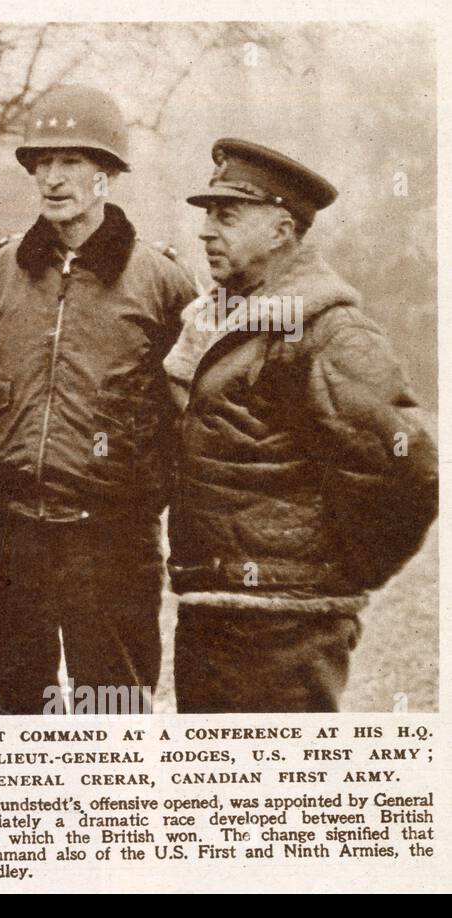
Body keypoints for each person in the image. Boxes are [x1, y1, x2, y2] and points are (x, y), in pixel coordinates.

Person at [165, 139, 438, 712]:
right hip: (213, 613)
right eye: (207, 215)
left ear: (281, 230)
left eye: (227, 216)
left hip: (287, 631)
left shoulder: (329, 333)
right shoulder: (220, 325)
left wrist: (331, 580)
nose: (206, 231)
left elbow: (408, 470)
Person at [0, 85, 197, 715]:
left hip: (113, 534)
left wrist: (144, 492)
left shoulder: (161, 280)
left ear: (108, 174)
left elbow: (188, 413)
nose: (53, 178)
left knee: (112, 711)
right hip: (12, 523)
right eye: (43, 162)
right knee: (13, 710)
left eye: (73, 162)